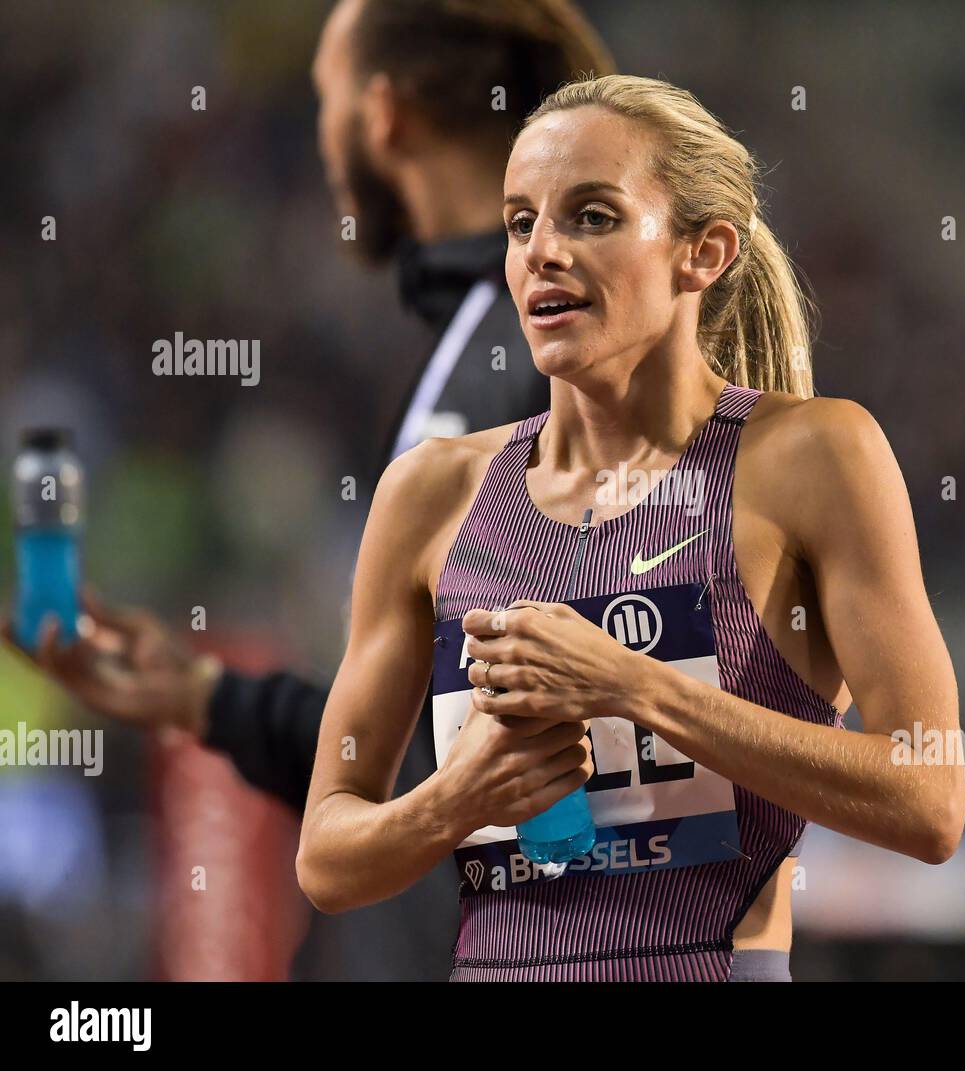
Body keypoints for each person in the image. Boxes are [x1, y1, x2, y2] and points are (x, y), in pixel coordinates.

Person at [296, 74, 965, 982]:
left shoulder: (811, 456)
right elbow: (326, 855)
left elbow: (929, 800)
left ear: (704, 252)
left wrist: (636, 687)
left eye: (593, 216)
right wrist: (454, 799)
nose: (543, 252)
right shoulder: (431, 493)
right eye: (521, 222)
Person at [1, 0, 614, 980]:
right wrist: (204, 697)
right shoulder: (486, 342)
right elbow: (411, 734)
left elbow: (550, 761)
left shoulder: (512, 360)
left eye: (325, 105)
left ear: (385, 119)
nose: (322, 153)